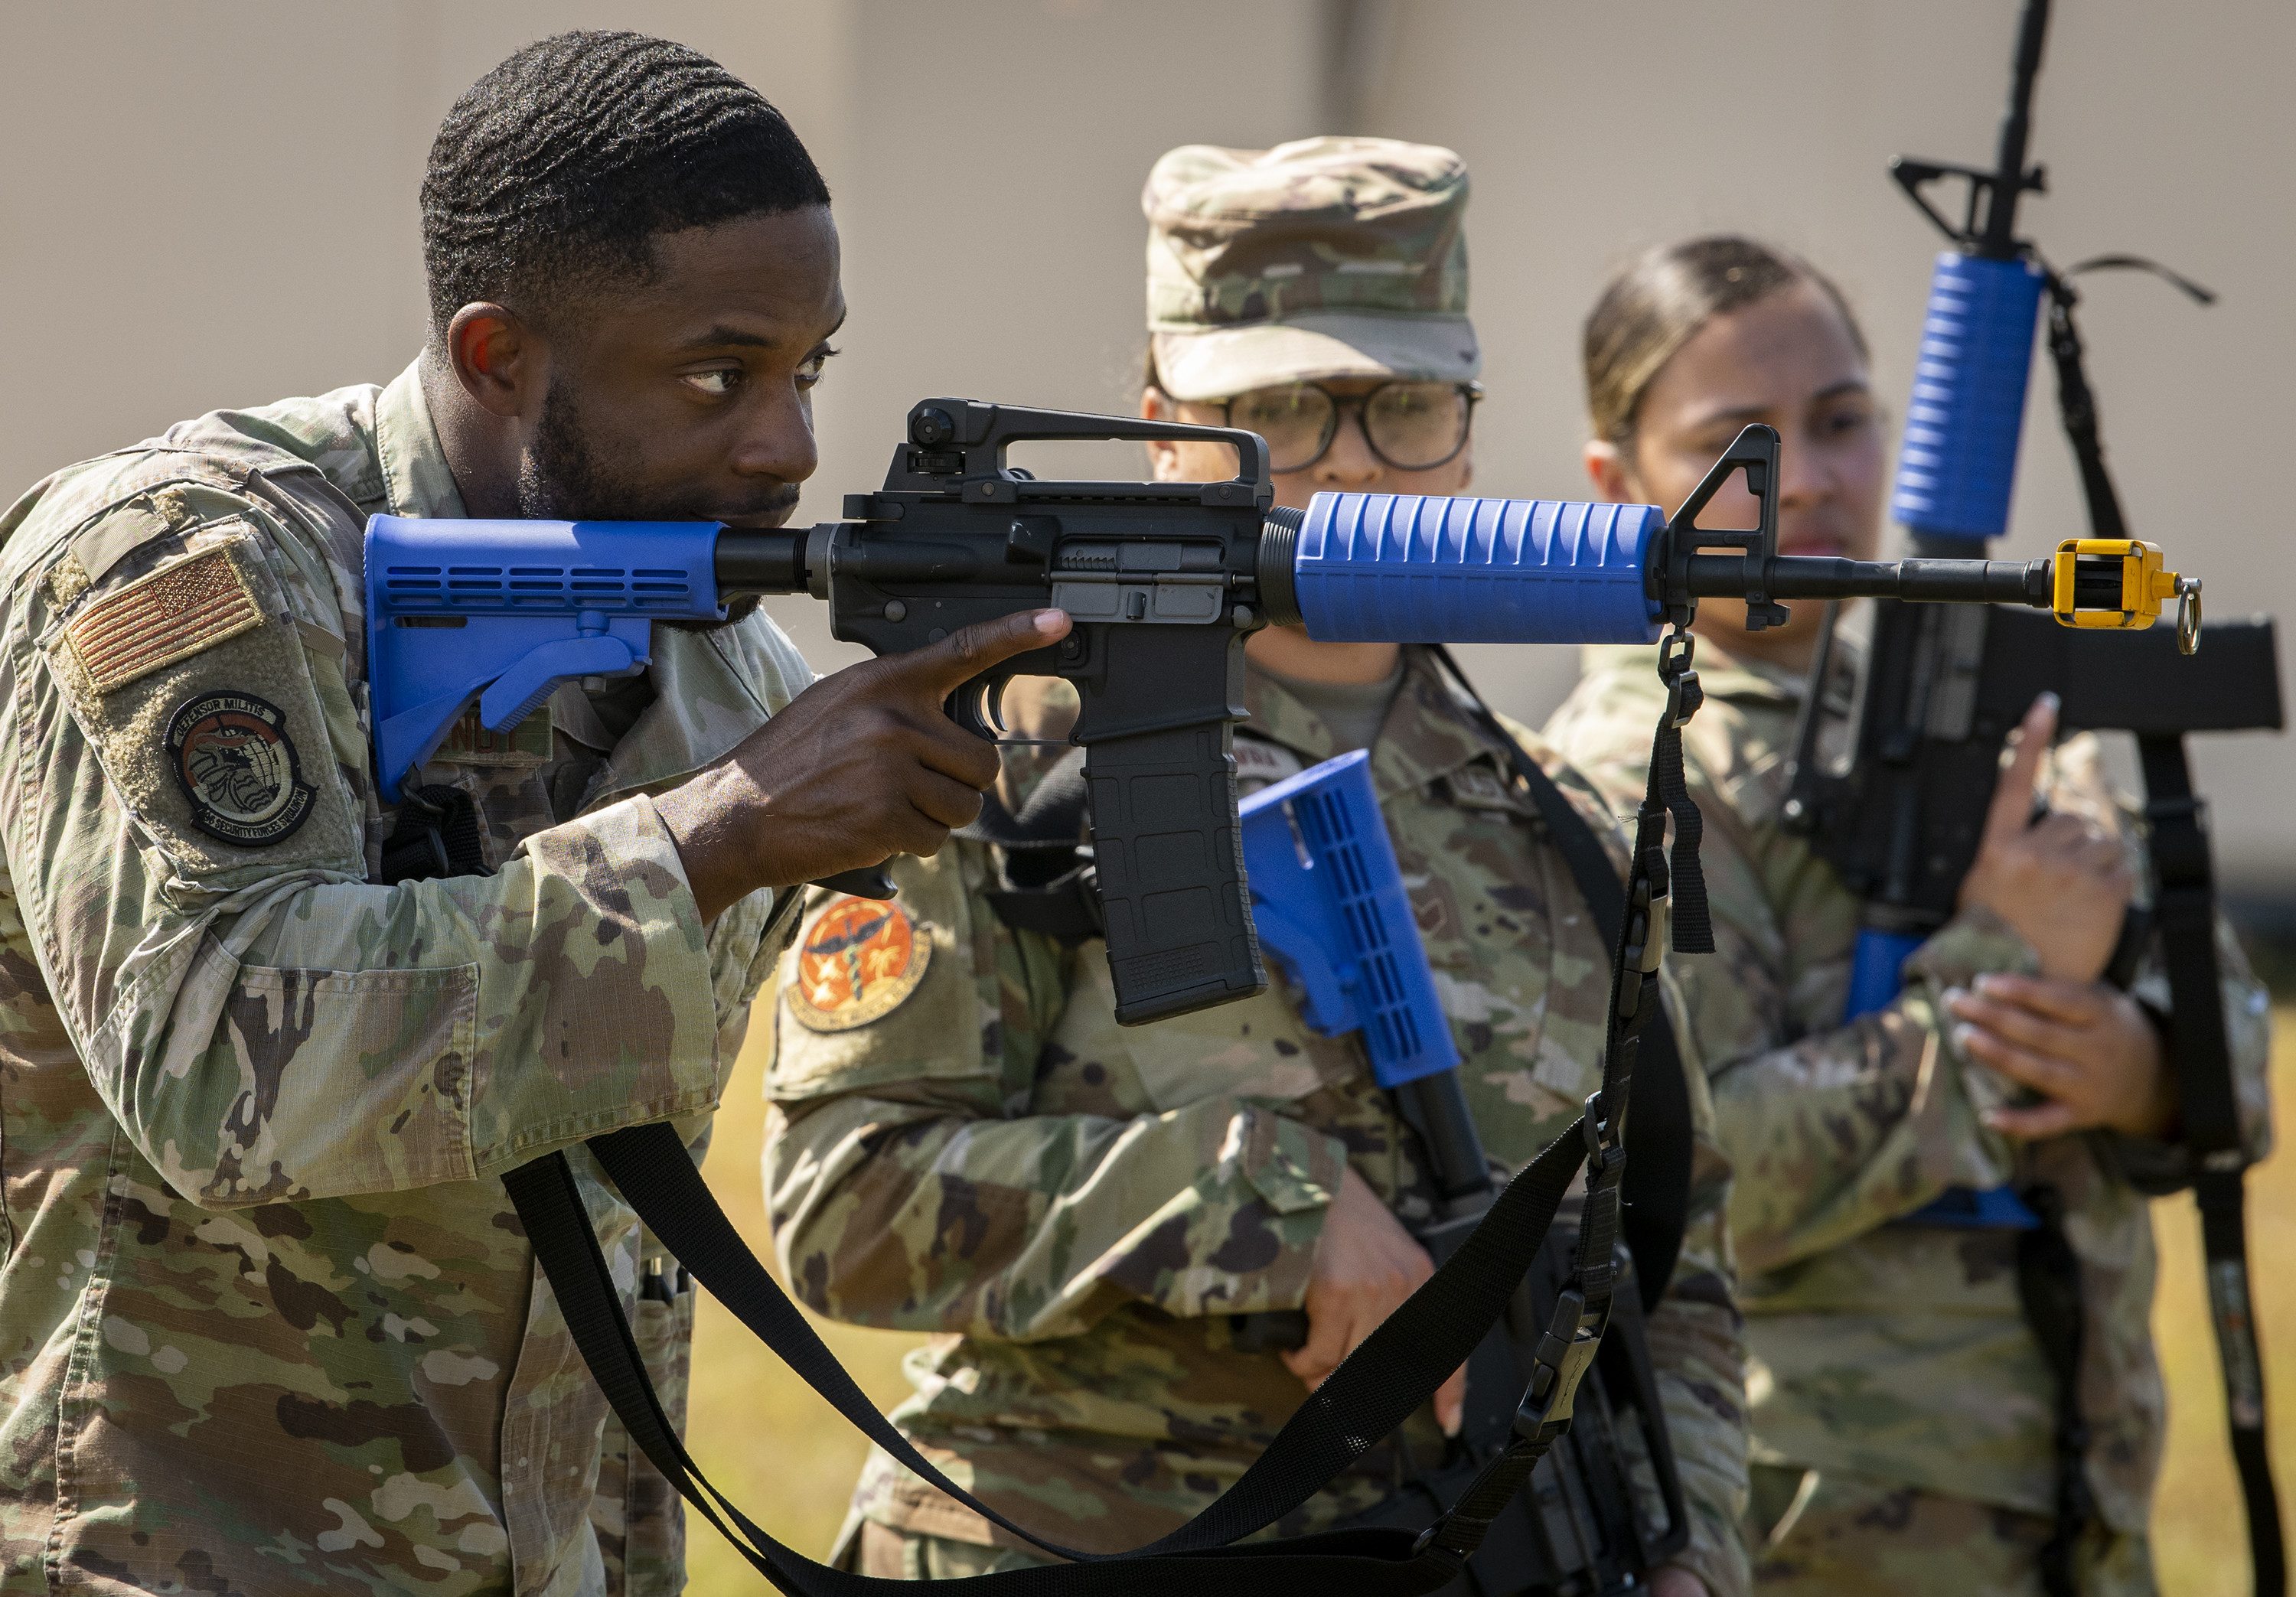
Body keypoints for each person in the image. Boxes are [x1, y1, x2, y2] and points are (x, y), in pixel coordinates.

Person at [0, 32, 1062, 1596]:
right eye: (721, 373)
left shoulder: (722, 669)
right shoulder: (187, 565)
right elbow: (216, 1056)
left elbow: (619, 1233)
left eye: (806, 369)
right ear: (501, 354)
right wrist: (708, 844)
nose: (789, 446)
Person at [764, 138, 1747, 1597]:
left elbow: (1678, 1263)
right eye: (1279, 405)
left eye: (1405, 404)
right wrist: (1260, 1213)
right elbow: (843, 1203)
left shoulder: (1569, 825)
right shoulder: (995, 762)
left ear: (1467, 432)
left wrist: (1697, 1551)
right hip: (1072, 1544)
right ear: (1166, 426)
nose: (1349, 455)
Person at [1542, 235, 2273, 1595]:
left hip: (2084, 1508)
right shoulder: (1620, 779)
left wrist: (2141, 1061)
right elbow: (1706, 1182)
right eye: (1738, 444)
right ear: (1618, 481)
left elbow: (2233, 1041)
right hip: (1802, 1531)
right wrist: (2002, 970)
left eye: (1841, 422)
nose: (1809, 481)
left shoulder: (2012, 725)